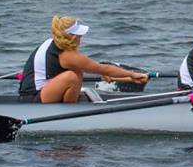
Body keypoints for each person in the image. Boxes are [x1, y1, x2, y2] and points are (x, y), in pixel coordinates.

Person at [19, 16, 148, 103]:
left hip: (41, 92)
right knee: (71, 77)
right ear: (73, 37)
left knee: (77, 72)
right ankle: (69, 111)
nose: (81, 38)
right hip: (33, 99)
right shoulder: (67, 55)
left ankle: (69, 104)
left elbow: (96, 69)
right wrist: (132, 74)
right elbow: (102, 68)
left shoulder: (52, 42)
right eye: (80, 35)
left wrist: (113, 75)